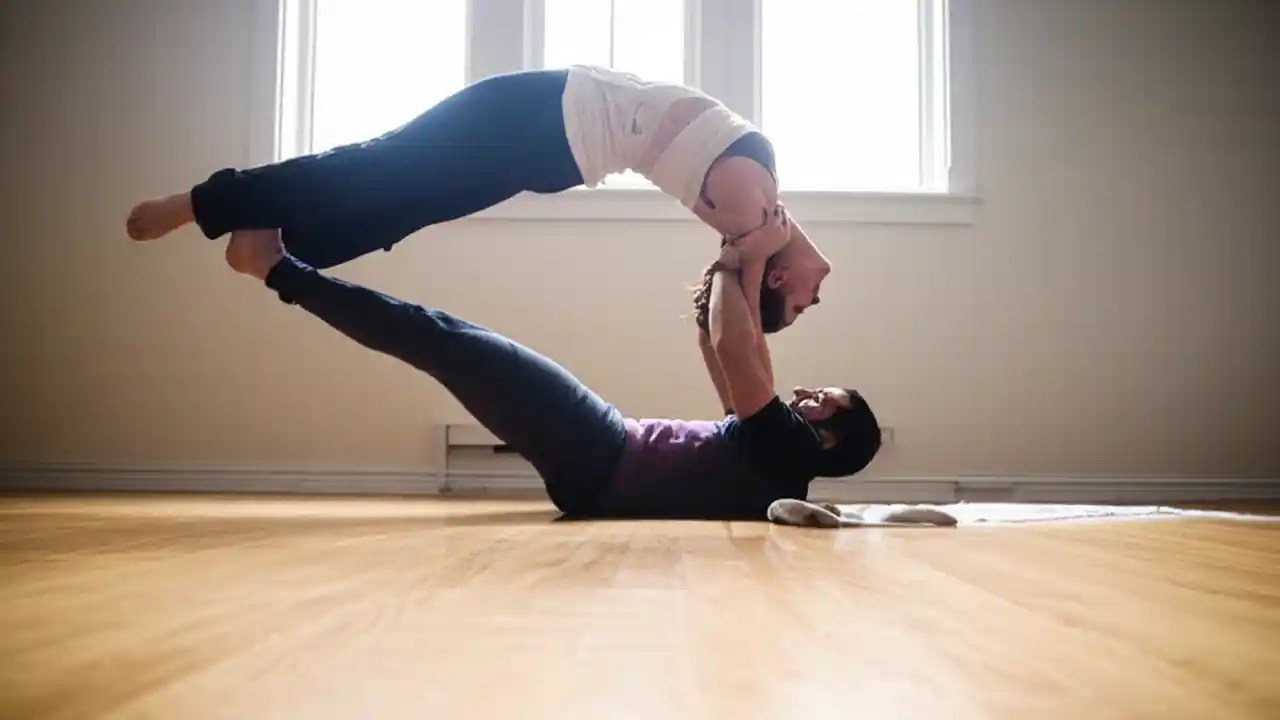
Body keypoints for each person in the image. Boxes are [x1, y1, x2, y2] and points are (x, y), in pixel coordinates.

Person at [219, 228, 880, 520]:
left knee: (442, 338)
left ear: (831, 439)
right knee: (444, 342)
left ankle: (277, 268)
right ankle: (280, 268)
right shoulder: (770, 455)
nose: (802, 395)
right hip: (597, 463)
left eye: (821, 400)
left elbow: (743, 355)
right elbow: (727, 355)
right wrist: (726, 270)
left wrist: (749, 260)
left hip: (601, 451)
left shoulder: (790, 451)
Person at [125, 66, 830, 335]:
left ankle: (259, 236)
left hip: (541, 135)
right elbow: (760, 262)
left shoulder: (751, 213)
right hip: (541, 121)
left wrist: (756, 250)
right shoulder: (756, 210)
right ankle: (216, 208)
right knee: (387, 174)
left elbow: (749, 280)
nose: (813, 296)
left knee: (397, 194)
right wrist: (755, 250)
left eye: (797, 302)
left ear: (772, 274)